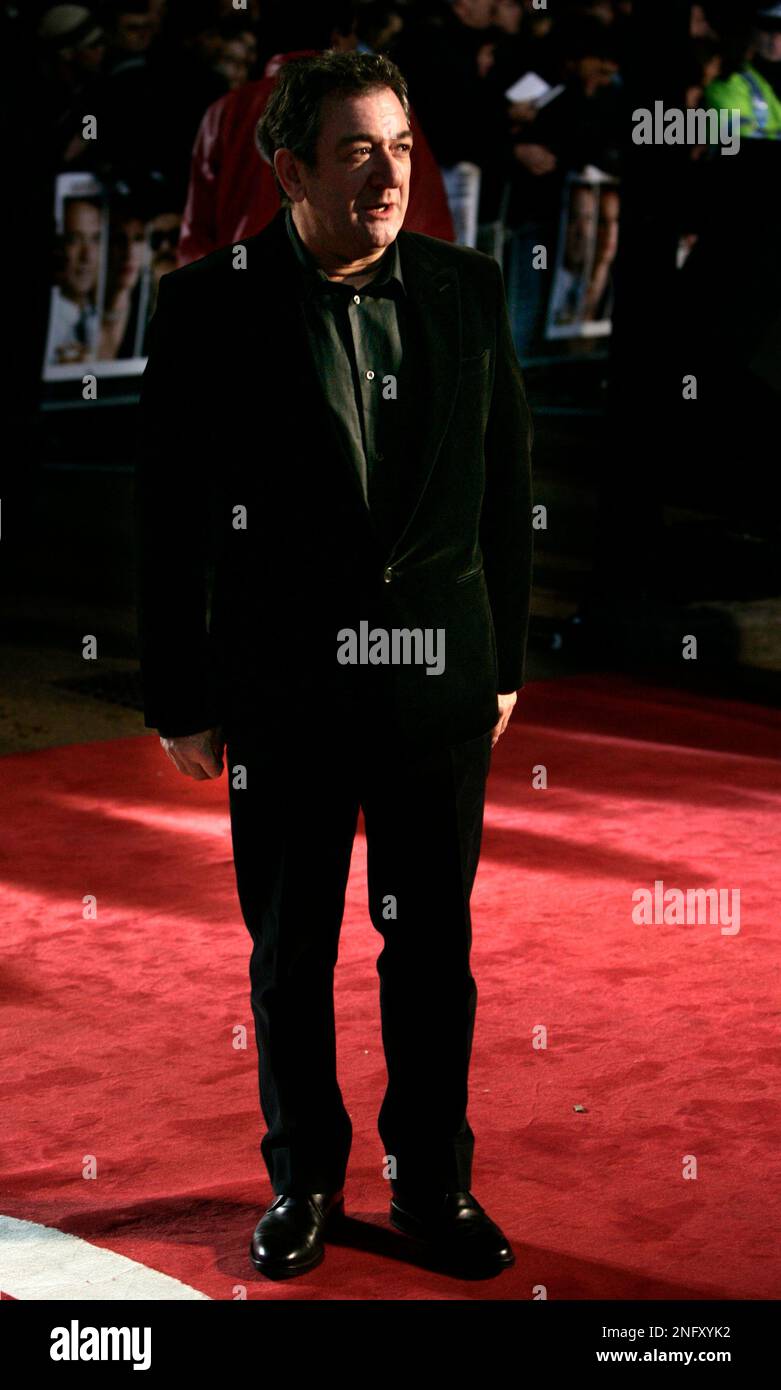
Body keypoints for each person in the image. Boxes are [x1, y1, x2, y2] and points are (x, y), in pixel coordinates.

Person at [134, 49, 533, 1281]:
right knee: (291, 949)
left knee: (431, 949)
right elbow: (169, 518)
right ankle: (303, 1177)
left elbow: (506, 490)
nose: (387, 174)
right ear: (288, 164)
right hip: (286, 688)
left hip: (436, 685)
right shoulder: (211, 303)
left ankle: (433, 1182)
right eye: (357, 150)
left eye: (401, 148)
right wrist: (182, 697)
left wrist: (503, 661)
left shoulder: (467, 290)